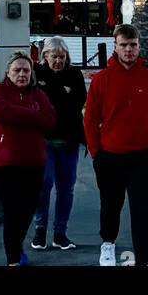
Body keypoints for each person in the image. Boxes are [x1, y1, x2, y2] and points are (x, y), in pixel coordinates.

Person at [84, 23, 148, 267]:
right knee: (110, 207)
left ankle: (146, 260)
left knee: (143, 213)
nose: (129, 50)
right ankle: (107, 245)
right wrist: (95, 153)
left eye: (133, 45)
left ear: (139, 46)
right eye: (124, 45)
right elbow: (90, 119)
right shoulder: (101, 80)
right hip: (109, 157)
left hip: (143, 158)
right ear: (116, 47)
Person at [0, 52, 56, 267]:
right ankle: (13, 259)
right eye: (17, 70)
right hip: (3, 165)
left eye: (26, 70)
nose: (22, 74)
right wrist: (32, 116)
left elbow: (50, 121)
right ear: (8, 72)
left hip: (33, 164)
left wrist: (19, 115)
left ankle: (17, 246)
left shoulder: (39, 95)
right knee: (13, 211)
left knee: (26, 212)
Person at [31, 37, 87, 252]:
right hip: (43, 141)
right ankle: (40, 229)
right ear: (45, 56)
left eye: (61, 57)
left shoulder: (74, 74)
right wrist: (61, 98)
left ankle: (60, 233)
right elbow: (38, 102)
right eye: (54, 56)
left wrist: (56, 102)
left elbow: (78, 101)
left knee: (67, 188)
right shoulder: (37, 73)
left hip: (69, 140)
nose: (57, 61)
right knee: (44, 185)